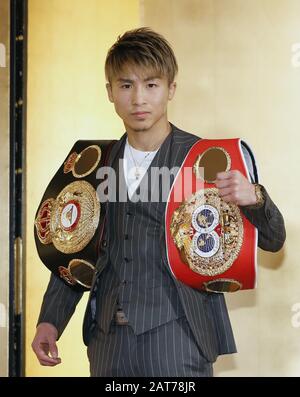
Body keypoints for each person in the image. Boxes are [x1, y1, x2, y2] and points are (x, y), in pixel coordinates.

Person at [31, 27, 286, 376]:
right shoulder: (94, 161)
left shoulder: (204, 159)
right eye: (126, 85)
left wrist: (254, 198)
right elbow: (74, 248)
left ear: (171, 89)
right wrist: (49, 321)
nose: (139, 99)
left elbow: (274, 240)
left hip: (178, 338)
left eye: (151, 85)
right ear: (110, 92)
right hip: (108, 343)